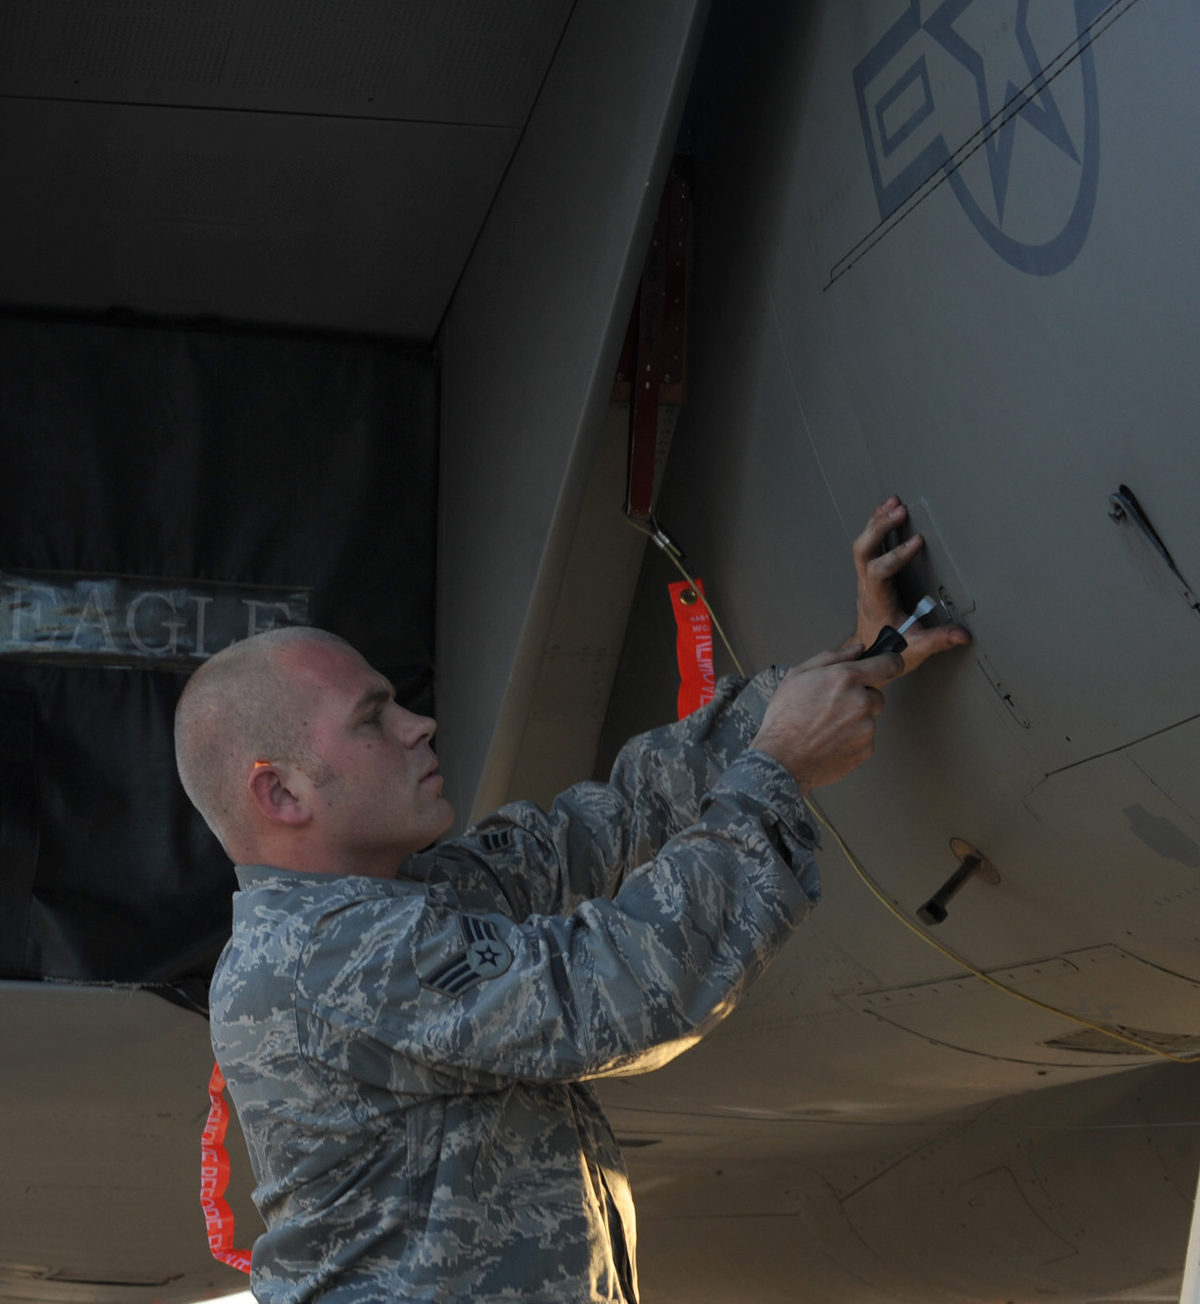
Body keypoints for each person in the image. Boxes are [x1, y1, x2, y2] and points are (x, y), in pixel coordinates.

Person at [177, 498, 969, 1303]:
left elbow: (605, 825)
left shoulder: (408, 900)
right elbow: (614, 989)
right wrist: (780, 765)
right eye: (374, 718)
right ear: (280, 792)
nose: (419, 725)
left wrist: (854, 663)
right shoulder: (323, 955)